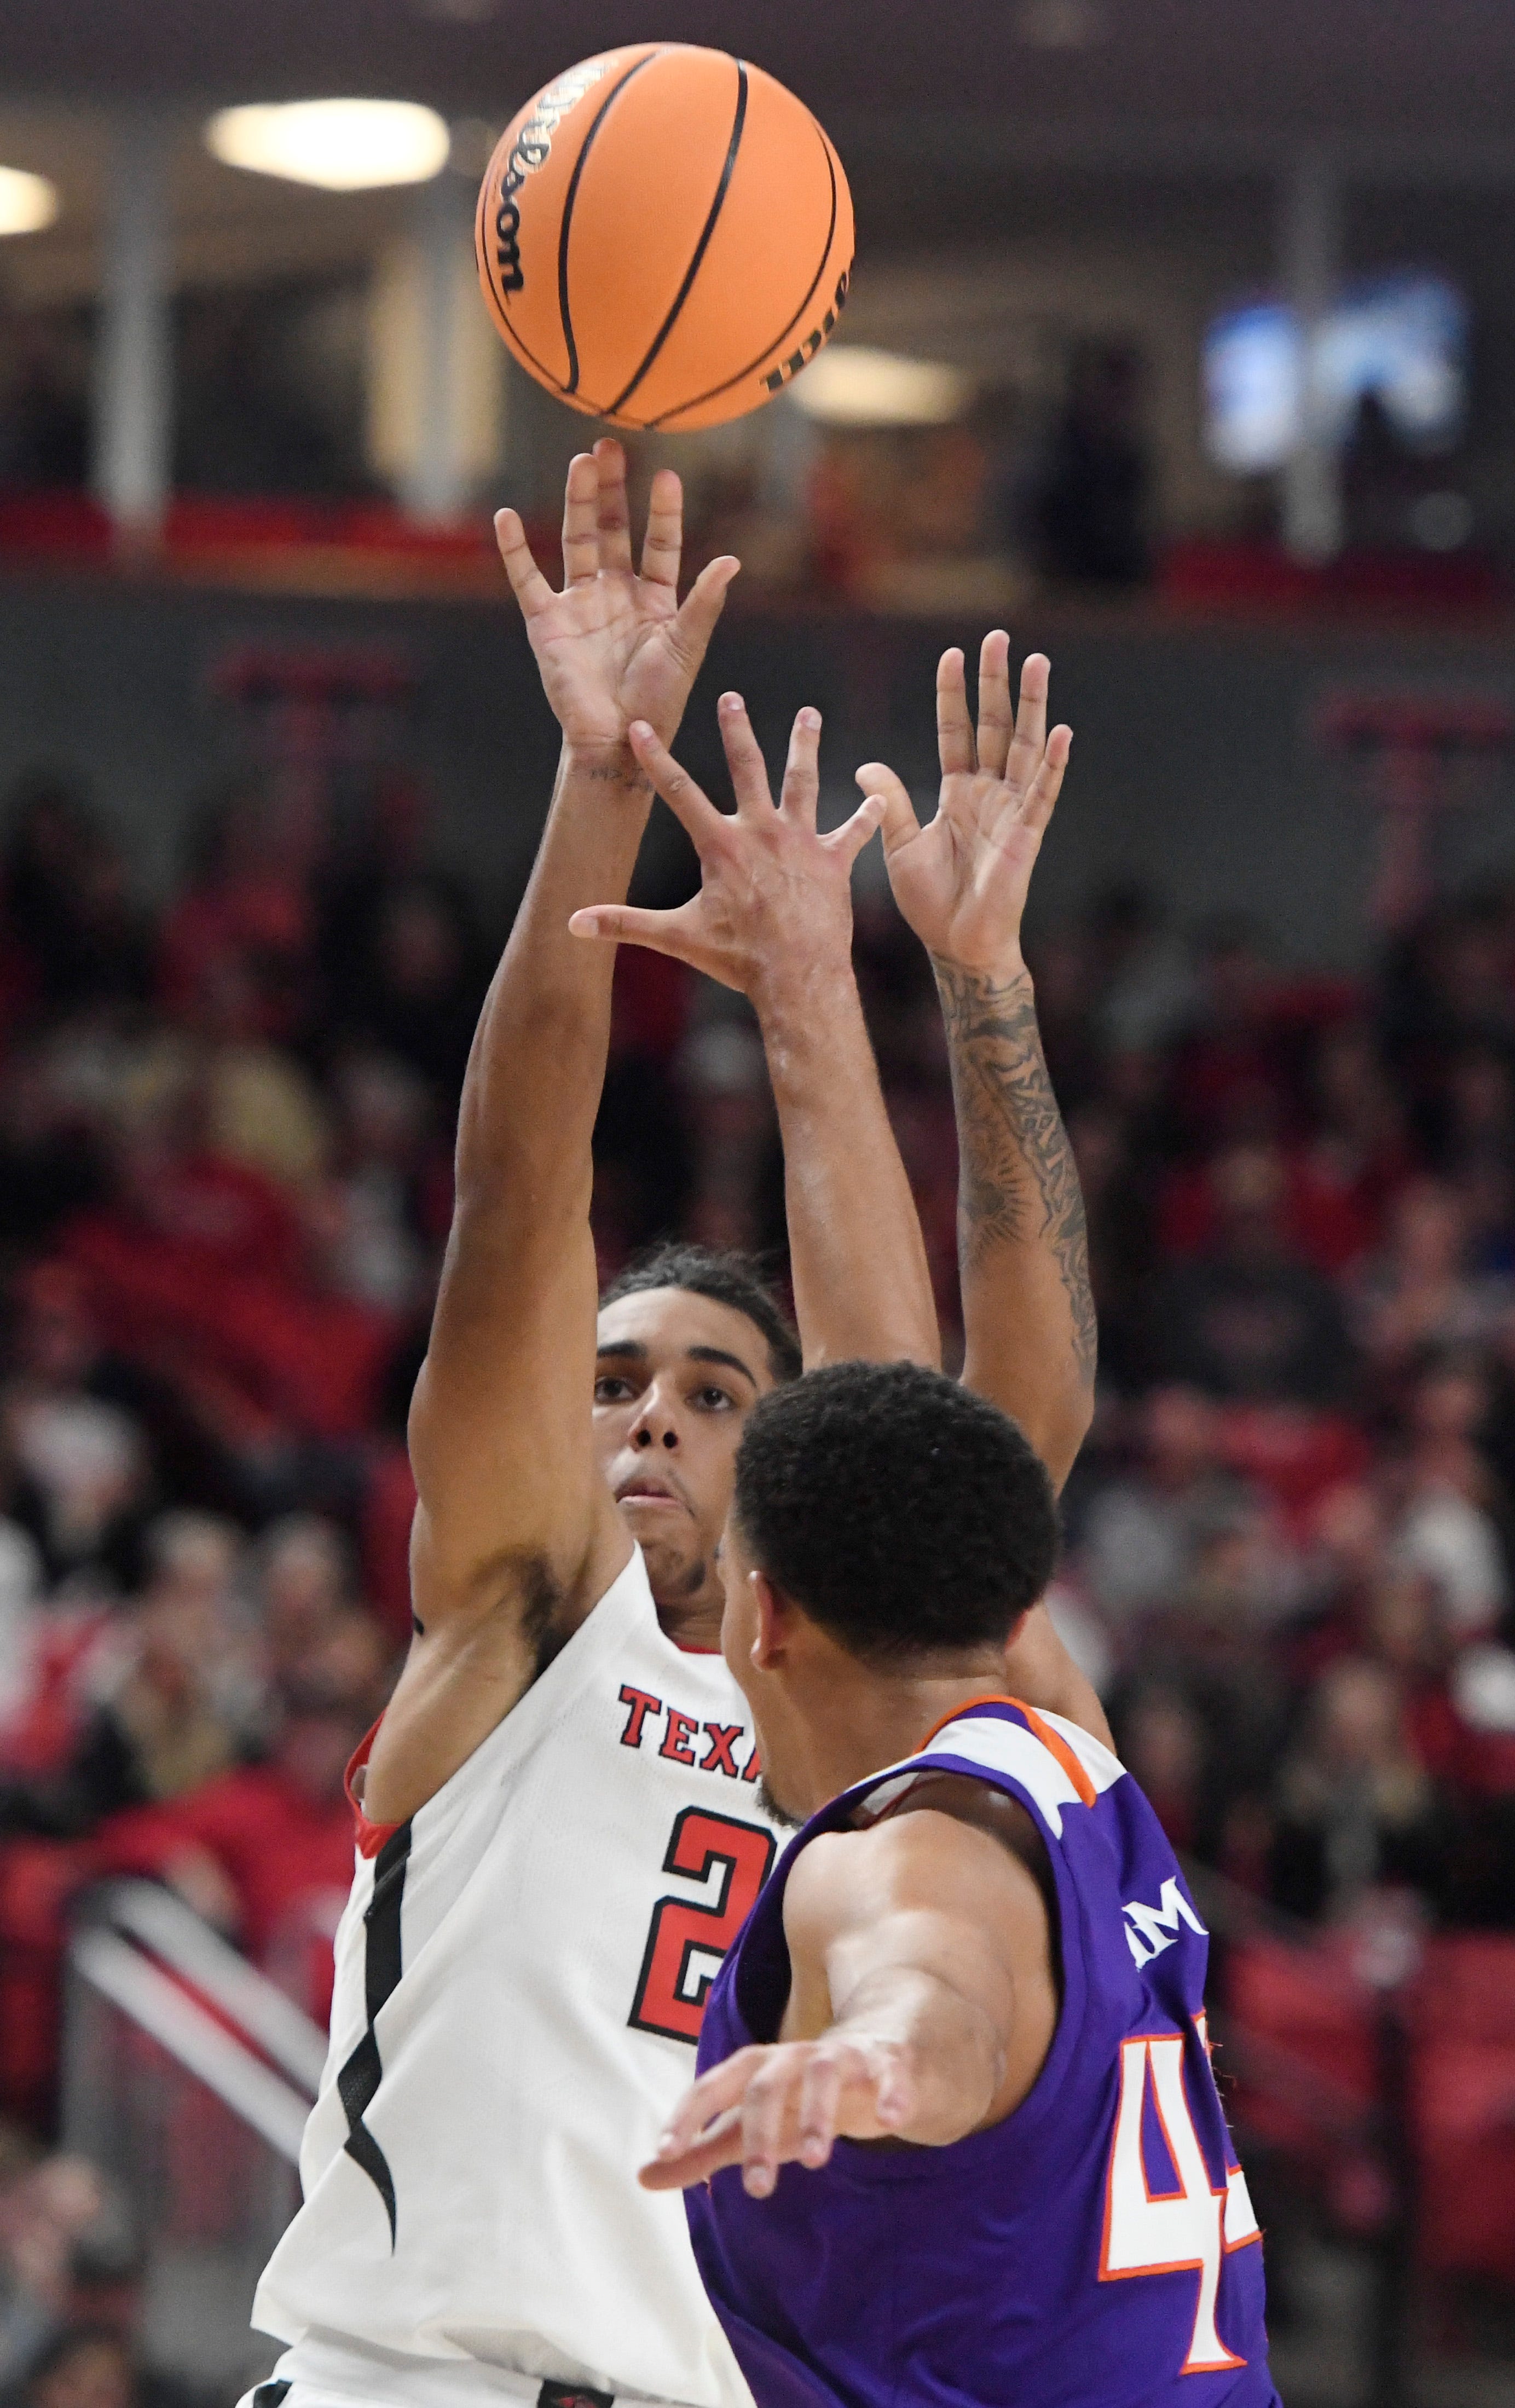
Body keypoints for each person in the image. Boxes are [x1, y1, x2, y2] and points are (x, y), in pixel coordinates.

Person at [247, 445, 1099, 2408]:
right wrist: (597, 786)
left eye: (714, 1396)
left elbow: (971, 1417)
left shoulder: (875, 1717)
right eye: (614, 1381)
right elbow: (515, 1204)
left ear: (795, 1472)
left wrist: (945, 988)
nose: (643, 1420)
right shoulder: (525, 1620)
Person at [641, 1359, 1277, 2407]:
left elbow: (936, 1987)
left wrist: (875, 2055)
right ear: (1019, 1615)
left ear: (764, 1616)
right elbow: (1025, 1383)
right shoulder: (1078, 1755)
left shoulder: (898, 1858)